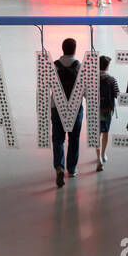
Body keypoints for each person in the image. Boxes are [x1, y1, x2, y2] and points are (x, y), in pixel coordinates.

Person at [50, 37, 83, 188]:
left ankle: (59, 166)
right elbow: (85, 90)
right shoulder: (79, 67)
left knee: (58, 139)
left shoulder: (54, 66)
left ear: (62, 49)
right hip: (75, 108)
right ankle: (72, 169)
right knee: (74, 138)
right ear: (74, 50)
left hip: (57, 107)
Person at [96, 54, 119, 172]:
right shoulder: (112, 79)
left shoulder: (92, 79)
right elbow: (117, 94)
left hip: (95, 111)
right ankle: (103, 154)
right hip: (107, 110)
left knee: (96, 134)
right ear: (107, 66)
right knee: (105, 133)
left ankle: (98, 157)